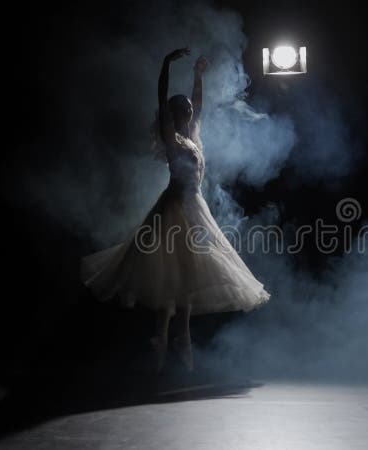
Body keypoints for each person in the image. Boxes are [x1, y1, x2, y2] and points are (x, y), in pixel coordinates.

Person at [81, 47, 270, 371]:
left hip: (194, 205)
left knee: (186, 274)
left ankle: (180, 340)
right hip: (175, 206)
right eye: (182, 106)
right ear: (173, 113)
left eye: (187, 107)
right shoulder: (171, 138)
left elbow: (199, 104)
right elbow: (161, 97)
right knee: (171, 272)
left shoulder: (192, 136)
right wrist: (166, 64)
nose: (188, 108)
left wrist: (198, 75)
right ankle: (163, 339)